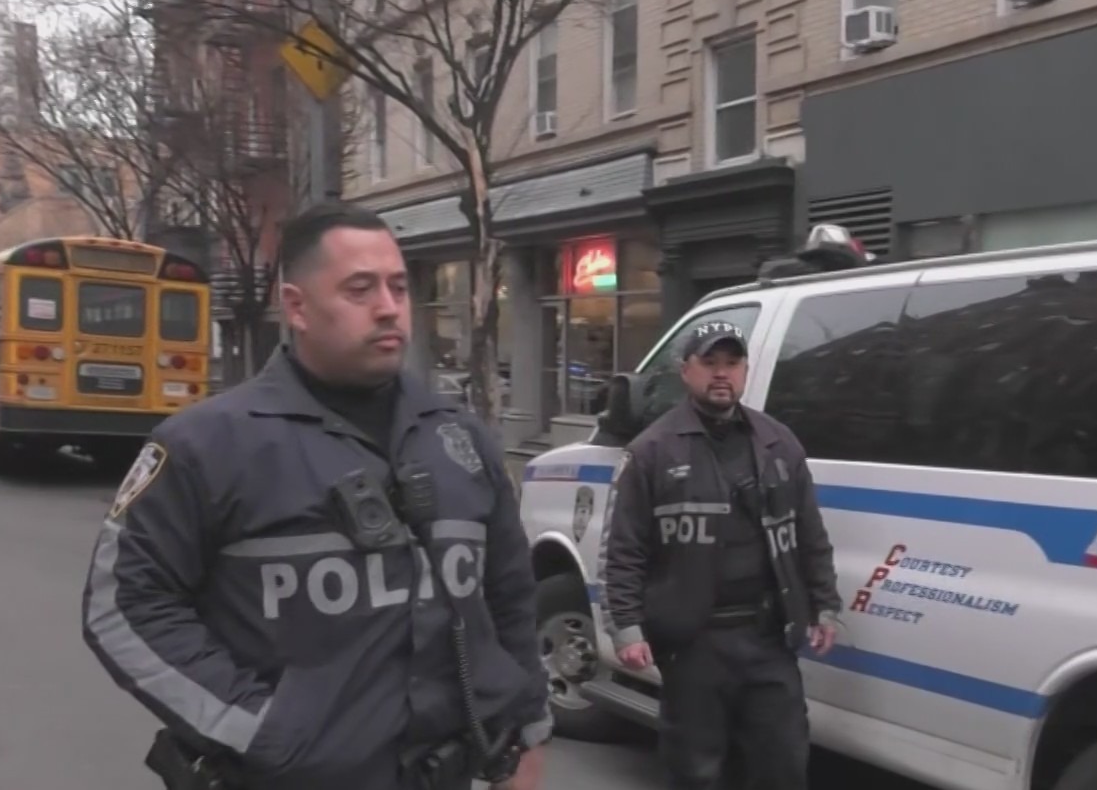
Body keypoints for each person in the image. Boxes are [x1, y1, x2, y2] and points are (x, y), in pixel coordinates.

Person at [80, 202, 550, 790]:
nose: (389, 308)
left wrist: (525, 732)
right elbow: (124, 606)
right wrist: (261, 727)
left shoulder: (461, 438)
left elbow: (509, 598)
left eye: (398, 288)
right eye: (361, 289)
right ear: (297, 307)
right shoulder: (208, 444)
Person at [600, 320, 844, 790]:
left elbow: (810, 533)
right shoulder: (651, 451)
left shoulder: (779, 443)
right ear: (685, 371)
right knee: (697, 772)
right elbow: (623, 549)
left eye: (732, 363)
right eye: (709, 362)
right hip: (695, 645)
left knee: (784, 765)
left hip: (768, 638)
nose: (721, 374)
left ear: (745, 371)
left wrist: (824, 603)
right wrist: (626, 627)